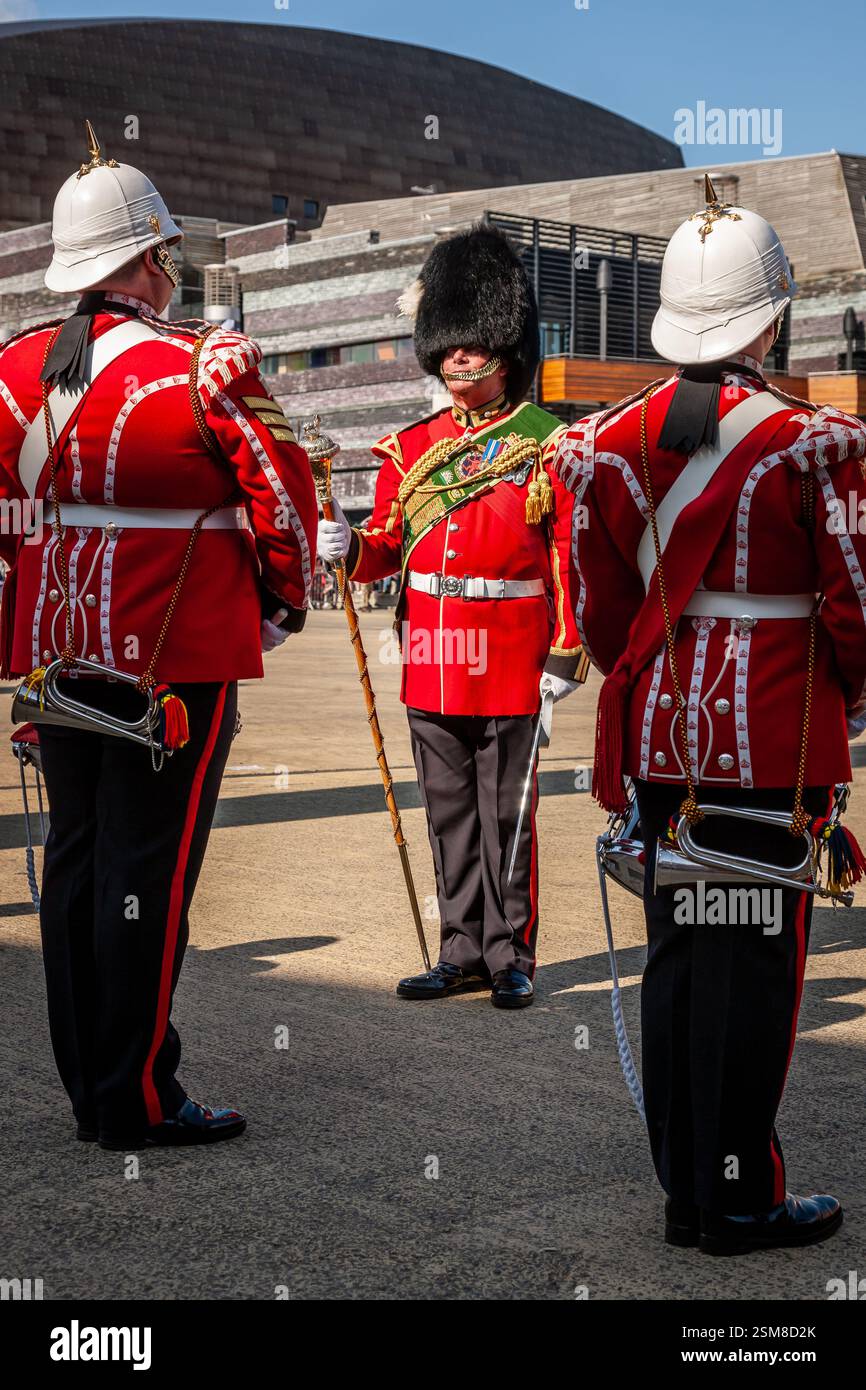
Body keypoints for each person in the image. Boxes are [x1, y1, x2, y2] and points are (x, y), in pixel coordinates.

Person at [554, 177, 866, 1254]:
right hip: (771, 739)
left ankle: (688, 1189)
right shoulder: (810, 441)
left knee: (681, 961)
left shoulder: (603, 442)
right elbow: (854, 603)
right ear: (768, 318)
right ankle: (735, 1199)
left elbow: (598, 612)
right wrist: (848, 701)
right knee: (752, 977)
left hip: (659, 740)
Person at [0, 124, 318, 1150]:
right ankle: (136, 1095)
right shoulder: (203, 366)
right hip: (171, 664)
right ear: (148, 260)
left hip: (55, 660)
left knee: (77, 861)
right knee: (149, 875)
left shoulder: (11, 373)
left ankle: (91, 1085)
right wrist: (278, 606)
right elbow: (281, 498)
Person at [318, 224, 588, 1009]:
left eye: (476, 343)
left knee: (509, 817)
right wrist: (347, 544)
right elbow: (388, 550)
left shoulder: (547, 441)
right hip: (433, 652)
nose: (462, 358)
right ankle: (460, 949)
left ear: (507, 344)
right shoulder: (411, 448)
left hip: (512, 653)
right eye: (451, 345)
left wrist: (566, 652)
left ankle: (512, 956)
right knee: (449, 815)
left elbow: (567, 552)